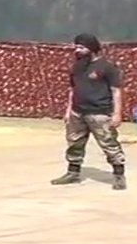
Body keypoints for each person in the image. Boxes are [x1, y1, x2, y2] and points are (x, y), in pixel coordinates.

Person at [51, 33, 128, 190]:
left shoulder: (107, 67)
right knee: (74, 142)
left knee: (109, 144)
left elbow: (116, 91)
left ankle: (119, 176)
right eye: (76, 47)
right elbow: (72, 89)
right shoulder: (77, 67)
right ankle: (73, 173)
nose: (77, 50)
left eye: (81, 47)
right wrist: (68, 110)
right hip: (77, 112)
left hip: (100, 113)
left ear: (92, 48)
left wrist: (117, 114)